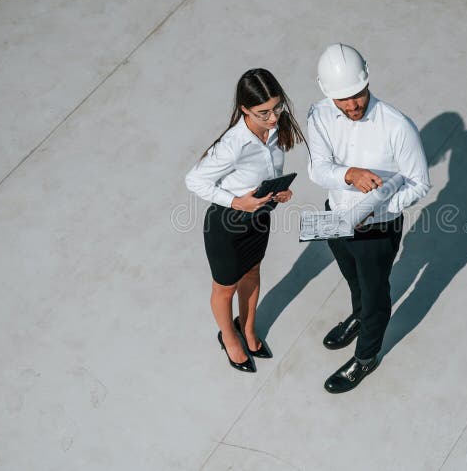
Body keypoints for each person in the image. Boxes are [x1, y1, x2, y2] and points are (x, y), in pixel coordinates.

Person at [306, 44, 431, 393]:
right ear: (327, 93)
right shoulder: (317, 116)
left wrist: (381, 210)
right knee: (353, 278)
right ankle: (358, 317)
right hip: (336, 216)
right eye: (342, 100)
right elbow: (318, 169)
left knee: (376, 293)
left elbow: (420, 183)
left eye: (357, 95)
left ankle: (366, 357)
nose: (352, 105)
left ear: (367, 82)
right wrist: (349, 175)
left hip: (378, 227)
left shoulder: (397, 126)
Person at [185, 68, 305, 373]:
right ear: (244, 109)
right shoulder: (232, 145)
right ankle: (229, 337)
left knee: (252, 273)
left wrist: (278, 191)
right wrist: (238, 201)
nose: (273, 118)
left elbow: (268, 169)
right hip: (227, 225)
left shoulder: (277, 128)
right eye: (263, 112)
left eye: (277, 107)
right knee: (225, 288)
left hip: (259, 219)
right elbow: (194, 181)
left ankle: (248, 329)